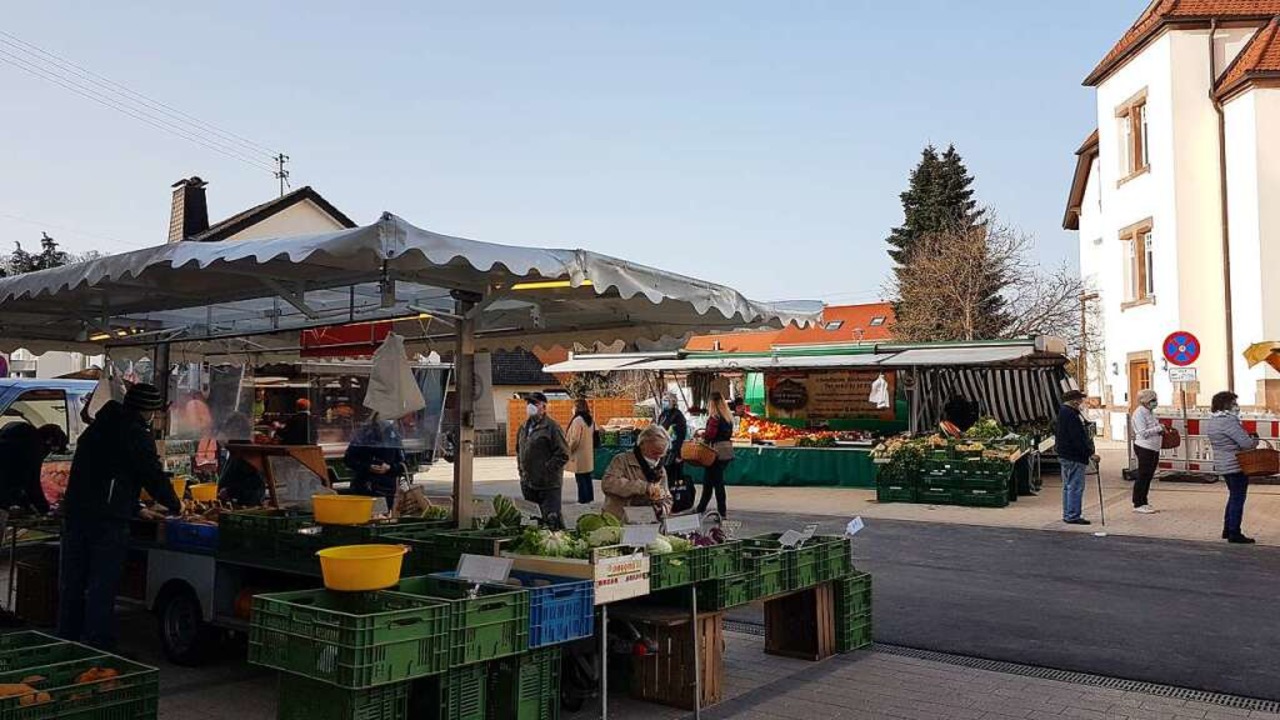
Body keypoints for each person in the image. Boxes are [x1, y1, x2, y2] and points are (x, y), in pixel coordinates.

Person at [59, 383, 182, 650]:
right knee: (102, 582)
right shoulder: (134, 433)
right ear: (148, 410)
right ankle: (97, 641)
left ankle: (67, 637)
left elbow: (107, 474)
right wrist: (175, 504)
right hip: (107, 518)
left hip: (78, 511)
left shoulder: (99, 426)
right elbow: (151, 473)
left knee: (73, 580)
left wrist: (136, 506)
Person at [1206, 391, 1259, 544]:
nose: (1237, 406)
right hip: (1236, 464)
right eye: (1234, 403)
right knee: (1238, 498)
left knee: (1233, 496)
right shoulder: (1228, 421)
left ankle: (1228, 529)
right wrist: (1254, 439)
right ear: (1226, 404)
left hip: (1224, 464)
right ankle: (1234, 532)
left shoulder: (1214, 421)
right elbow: (1246, 444)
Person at [516, 392, 569, 528]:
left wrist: (547, 470)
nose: (530, 406)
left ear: (544, 407)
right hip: (528, 484)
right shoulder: (523, 428)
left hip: (549, 485)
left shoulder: (552, 427)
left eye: (534, 403)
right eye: (529, 403)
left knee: (552, 521)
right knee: (534, 522)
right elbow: (519, 451)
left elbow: (563, 454)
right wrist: (522, 472)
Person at [601, 425, 673, 521]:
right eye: (654, 453)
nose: (657, 459)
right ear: (642, 445)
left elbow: (667, 498)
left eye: (661, 455)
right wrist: (643, 487)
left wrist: (662, 510)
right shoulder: (622, 460)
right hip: (619, 519)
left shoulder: (661, 470)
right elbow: (608, 484)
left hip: (646, 521)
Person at [344, 417, 408, 512]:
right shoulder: (363, 433)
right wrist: (368, 467)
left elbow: (403, 464)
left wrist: (389, 468)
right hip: (364, 488)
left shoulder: (394, 435)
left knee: (382, 518)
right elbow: (348, 459)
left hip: (386, 490)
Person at [1055, 389, 1098, 526]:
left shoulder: (1064, 412)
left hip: (1065, 454)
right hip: (1074, 456)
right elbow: (1077, 438)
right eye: (1080, 399)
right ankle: (1073, 515)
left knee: (1068, 486)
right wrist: (1090, 453)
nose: (1081, 401)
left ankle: (1068, 513)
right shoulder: (1071, 414)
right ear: (1074, 400)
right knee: (1075, 486)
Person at [696, 392, 735, 518]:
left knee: (716, 483)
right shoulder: (728, 417)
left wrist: (702, 434)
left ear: (712, 403)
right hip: (726, 452)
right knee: (710, 481)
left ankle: (721, 512)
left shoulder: (715, 417)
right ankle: (701, 508)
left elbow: (710, 435)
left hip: (714, 452)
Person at [1130, 389, 1164, 514]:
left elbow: (1152, 427)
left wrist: (1159, 429)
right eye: (1152, 400)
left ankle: (1144, 501)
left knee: (1149, 476)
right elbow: (1142, 432)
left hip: (1154, 447)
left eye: (1155, 400)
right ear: (1144, 401)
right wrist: (1159, 428)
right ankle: (1138, 503)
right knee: (1143, 475)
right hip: (1144, 447)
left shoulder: (1150, 412)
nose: (1155, 402)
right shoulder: (1139, 413)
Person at [657, 392, 691, 512]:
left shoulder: (678, 416)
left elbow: (680, 436)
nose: (664, 402)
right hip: (663, 452)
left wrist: (677, 453)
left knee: (674, 479)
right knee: (664, 479)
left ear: (673, 402)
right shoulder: (662, 415)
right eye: (663, 400)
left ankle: (676, 503)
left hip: (673, 453)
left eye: (667, 400)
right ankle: (665, 502)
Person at [565, 399, 596, 504]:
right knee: (587, 477)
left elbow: (575, 439)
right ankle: (589, 498)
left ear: (577, 408)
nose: (572, 409)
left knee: (580, 478)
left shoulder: (577, 420)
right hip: (588, 453)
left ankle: (582, 499)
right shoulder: (590, 420)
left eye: (573, 407)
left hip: (579, 454)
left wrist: (568, 450)